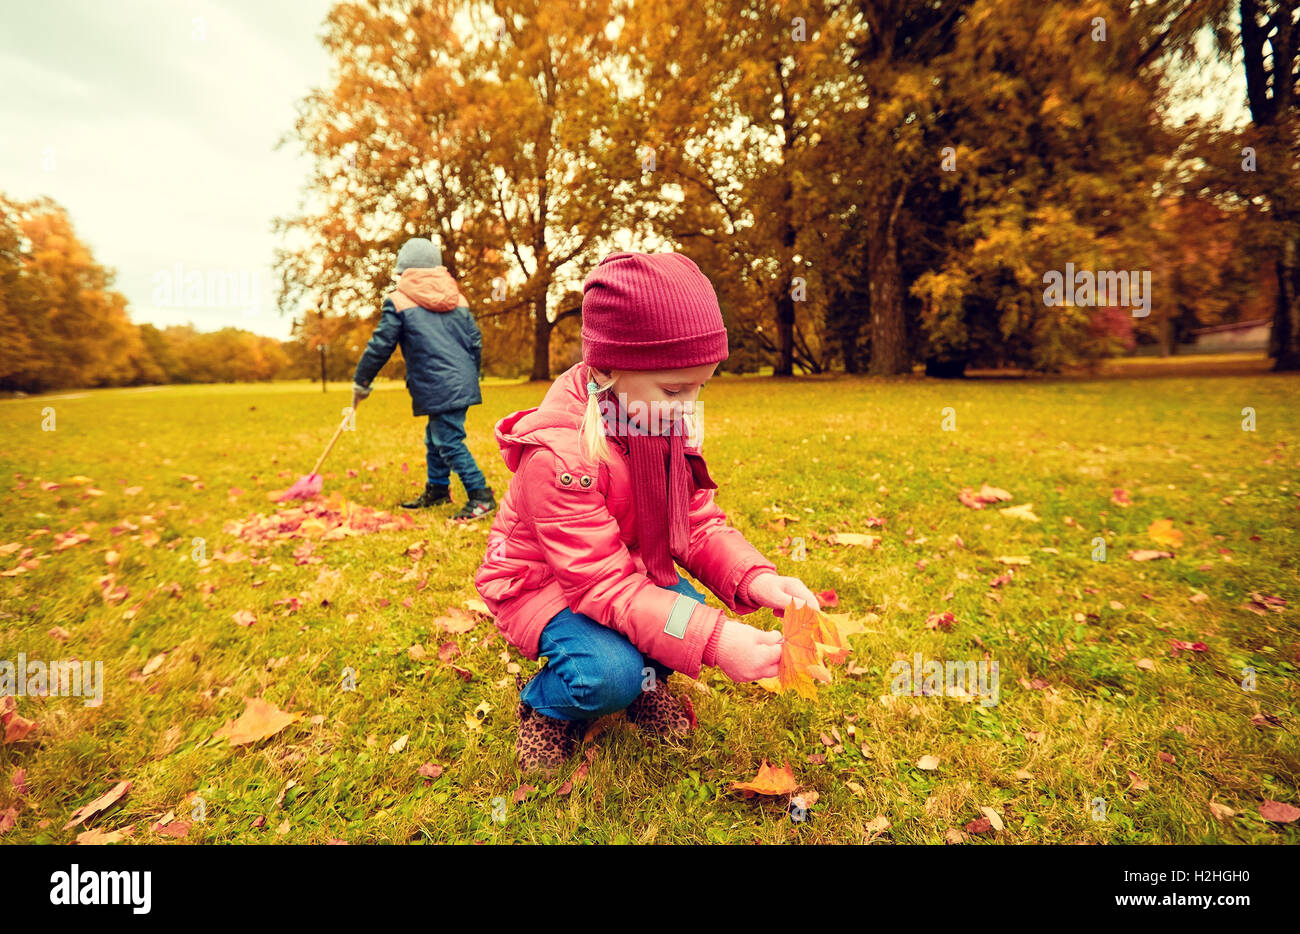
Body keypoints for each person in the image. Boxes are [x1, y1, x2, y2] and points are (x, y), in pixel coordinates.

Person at [474, 250, 822, 774]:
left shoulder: (654, 415)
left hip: (625, 572)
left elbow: (695, 522)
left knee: (680, 604)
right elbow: (600, 587)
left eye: (701, 387)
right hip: (544, 586)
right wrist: (715, 638)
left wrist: (756, 580)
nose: (689, 407)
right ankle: (547, 707)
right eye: (676, 390)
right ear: (607, 368)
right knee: (610, 671)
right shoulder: (560, 457)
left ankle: (645, 683)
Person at [350, 237, 496, 521]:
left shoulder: (398, 300)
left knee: (448, 440)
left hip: (436, 381)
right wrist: (471, 375)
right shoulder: (459, 300)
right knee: (436, 438)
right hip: (458, 380)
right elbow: (475, 341)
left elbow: (381, 345)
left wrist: (362, 380)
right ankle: (438, 489)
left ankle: (481, 496)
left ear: (403, 270)